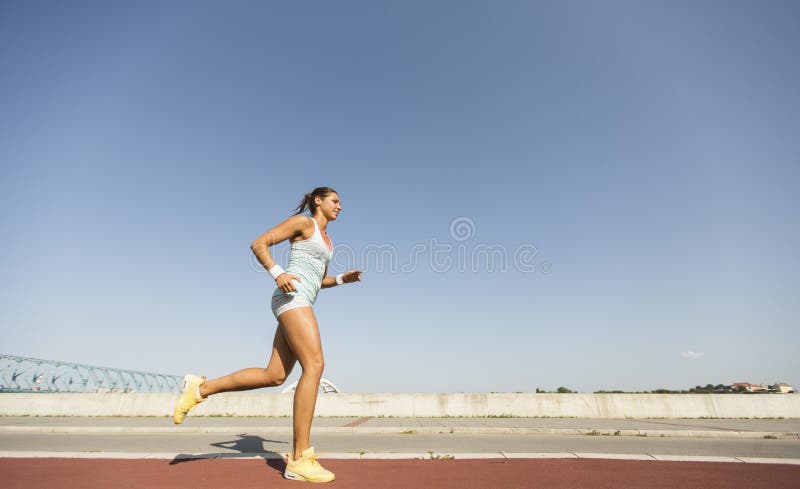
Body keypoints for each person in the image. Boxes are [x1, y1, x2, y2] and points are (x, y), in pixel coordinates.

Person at [172, 187, 361, 483]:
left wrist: (340, 279)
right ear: (318, 201)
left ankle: (200, 389)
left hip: (300, 299)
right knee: (315, 366)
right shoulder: (303, 223)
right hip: (291, 298)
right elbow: (259, 244)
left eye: (341, 202)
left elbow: (316, 280)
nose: (341, 206)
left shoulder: (328, 240)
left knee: (274, 375)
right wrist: (278, 273)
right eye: (335, 201)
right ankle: (300, 458)